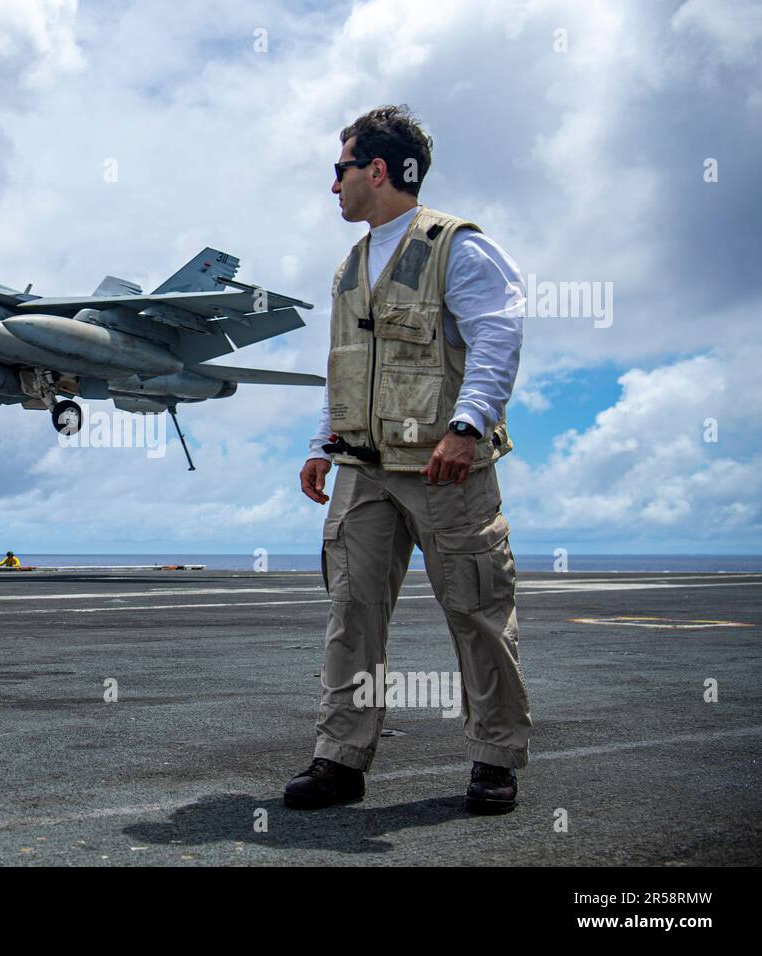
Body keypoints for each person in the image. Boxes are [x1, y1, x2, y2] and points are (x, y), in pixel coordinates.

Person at [285, 105, 530, 815]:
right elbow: (345, 369)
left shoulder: (457, 247)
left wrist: (467, 425)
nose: (334, 186)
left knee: (477, 609)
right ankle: (340, 757)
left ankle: (495, 758)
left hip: (442, 466)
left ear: (379, 171)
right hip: (362, 470)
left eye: (342, 169)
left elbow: (496, 336)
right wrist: (321, 447)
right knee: (351, 613)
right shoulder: (349, 267)